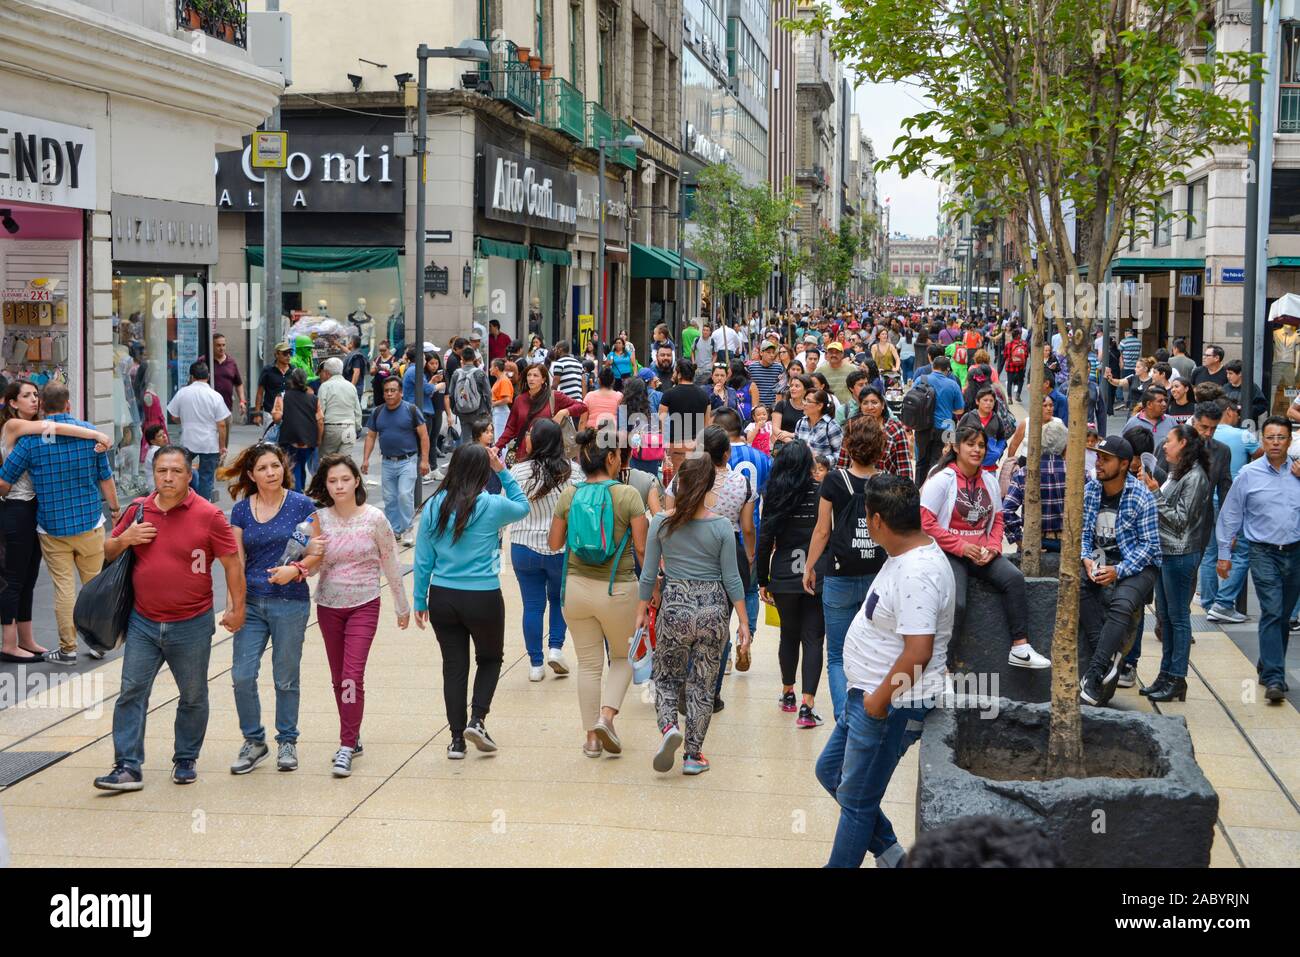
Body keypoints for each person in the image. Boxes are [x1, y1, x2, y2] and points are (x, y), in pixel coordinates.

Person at [815, 473, 955, 869]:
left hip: (890, 704)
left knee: (857, 801)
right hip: (866, 696)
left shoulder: (917, 573)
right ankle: (892, 853)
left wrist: (878, 702)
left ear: (876, 521)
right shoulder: (904, 555)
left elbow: (918, 652)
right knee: (830, 772)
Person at [92, 447, 244, 791]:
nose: (168, 477)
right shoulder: (138, 510)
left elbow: (232, 563)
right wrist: (126, 538)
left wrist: (237, 607)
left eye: (176, 471)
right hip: (143, 620)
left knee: (192, 694)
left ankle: (186, 757)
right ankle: (128, 765)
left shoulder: (209, 515)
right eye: (162, 471)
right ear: (154, 474)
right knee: (131, 691)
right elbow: (107, 549)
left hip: (191, 623)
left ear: (189, 475)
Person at [413, 444, 529, 758]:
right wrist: (502, 470)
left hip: (443, 597)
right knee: (490, 659)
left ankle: (456, 741)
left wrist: (419, 599)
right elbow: (522, 506)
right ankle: (477, 719)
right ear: (482, 471)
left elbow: (423, 558)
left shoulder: (435, 504)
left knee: (454, 668)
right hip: (483, 596)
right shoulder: (491, 505)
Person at [638, 455, 748, 775]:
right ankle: (693, 755)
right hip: (713, 609)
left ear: (680, 484)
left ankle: (670, 726)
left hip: (676, 606)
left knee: (667, 677)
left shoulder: (662, 522)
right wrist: (742, 621)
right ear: (709, 486)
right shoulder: (722, 527)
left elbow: (648, 576)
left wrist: (641, 612)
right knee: (702, 684)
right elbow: (732, 578)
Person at [304, 454, 410, 777]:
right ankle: (354, 731)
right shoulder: (317, 519)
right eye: (332, 481)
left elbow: (390, 561)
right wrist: (306, 557)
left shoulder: (375, 519)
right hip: (328, 606)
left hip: (364, 604)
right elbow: (308, 564)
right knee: (339, 678)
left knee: (352, 676)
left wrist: (401, 604)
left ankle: (346, 745)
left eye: (345, 480)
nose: (339, 486)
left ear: (357, 481)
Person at [0, 383, 120, 666]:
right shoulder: (89, 437)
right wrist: (115, 510)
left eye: (35, 396)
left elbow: (5, 478)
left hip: (52, 526)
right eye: (26, 395)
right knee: (94, 585)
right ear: (68, 405)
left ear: (43, 407)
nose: (32, 400)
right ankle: (100, 644)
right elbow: (105, 477)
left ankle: (67, 649)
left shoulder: (31, 440)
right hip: (89, 521)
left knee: (63, 589)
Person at [547, 428, 647, 756]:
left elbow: (554, 543)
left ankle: (591, 738)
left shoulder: (570, 494)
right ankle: (607, 716)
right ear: (611, 457)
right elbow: (643, 551)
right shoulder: (628, 495)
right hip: (617, 588)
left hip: (575, 590)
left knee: (589, 664)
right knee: (623, 657)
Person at [219, 443, 318, 774]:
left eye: (275, 466)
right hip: (253, 604)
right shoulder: (242, 511)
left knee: (285, 677)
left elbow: (317, 553)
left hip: (290, 602)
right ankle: (254, 740)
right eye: (263, 468)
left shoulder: (302, 505)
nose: (271, 473)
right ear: (251, 475)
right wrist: (234, 605)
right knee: (242, 675)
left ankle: (287, 740)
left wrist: (297, 570)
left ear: (283, 468)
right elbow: (235, 561)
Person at [921, 425, 1050, 669]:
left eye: (981, 445)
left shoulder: (989, 480)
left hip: (982, 552)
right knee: (955, 603)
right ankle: (942, 669)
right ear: (957, 448)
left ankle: (1020, 647)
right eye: (970, 444)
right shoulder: (941, 480)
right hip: (948, 554)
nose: (977, 450)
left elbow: (998, 519)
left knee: (1014, 579)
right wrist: (960, 546)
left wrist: (993, 547)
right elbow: (925, 523)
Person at [665, 425, 757, 710]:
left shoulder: (684, 478)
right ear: (727, 453)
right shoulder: (741, 483)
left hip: (688, 551)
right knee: (720, 627)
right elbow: (747, 527)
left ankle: (683, 687)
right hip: (728, 552)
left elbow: (667, 512)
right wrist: (750, 556)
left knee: (686, 620)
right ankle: (711, 693)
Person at [802, 420, 888, 721]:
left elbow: (822, 531)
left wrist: (810, 566)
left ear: (847, 446)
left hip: (839, 575)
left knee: (837, 654)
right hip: (878, 578)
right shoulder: (886, 483)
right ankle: (872, 713)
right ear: (880, 448)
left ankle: (844, 718)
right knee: (875, 651)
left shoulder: (834, 481)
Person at [1214, 417, 1300, 703]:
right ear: (1262, 441)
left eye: (1281, 438)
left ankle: (1267, 664)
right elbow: (1230, 516)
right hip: (1262, 551)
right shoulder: (1249, 474)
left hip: (1295, 551)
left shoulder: (1298, 472)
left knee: (1283, 616)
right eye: (1271, 437)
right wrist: (1224, 555)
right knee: (1273, 611)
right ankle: (1275, 676)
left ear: (1290, 441)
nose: (1276, 443)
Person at [1077, 436, 1162, 706]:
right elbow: (1082, 534)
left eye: (1105, 459)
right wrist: (1086, 559)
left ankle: (1094, 672)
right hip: (1100, 560)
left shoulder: (1140, 495)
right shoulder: (1091, 490)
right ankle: (1109, 656)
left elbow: (1150, 546)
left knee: (1121, 605)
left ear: (1124, 464)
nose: (1098, 463)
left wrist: (1118, 570)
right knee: (1077, 588)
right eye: (1097, 457)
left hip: (1137, 565)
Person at [1138, 424, 1213, 703]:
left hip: (1180, 554)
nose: (1165, 445)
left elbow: (1181, 520)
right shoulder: (1177, 472)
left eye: (1169, 441)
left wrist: (1155, 493)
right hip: (1165, 552)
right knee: (1165, 617)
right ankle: (1165, 674)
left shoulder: (1195, 477)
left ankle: (1177, 677)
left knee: (1178, 618)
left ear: (1183, 444)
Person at [756, 439, 826, 726]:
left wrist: (762, 579)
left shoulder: (774, 495)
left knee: (789, 634)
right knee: (813, 639)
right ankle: (808, 707)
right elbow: (826, 534)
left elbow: (764, 540)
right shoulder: (822, 493)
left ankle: (788, 693)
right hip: (816, 574)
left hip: (783, 574)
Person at [508, 420, 578, 683]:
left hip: (523, 546)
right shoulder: (574, 472)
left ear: (535, 441)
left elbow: (509, 505)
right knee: (559, 600)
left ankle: (535, 664)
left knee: (532, 606)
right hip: (560, 547)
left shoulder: (517, 471)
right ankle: (556, 648)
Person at [361, 377, 430, 545]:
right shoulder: (377, 412)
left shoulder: (411, 410)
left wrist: (425, 461)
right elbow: (370, 436)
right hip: (387, 462)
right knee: (390, 497)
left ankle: (407, 529)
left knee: (404, 495)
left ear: (401, 392)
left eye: (393, 390)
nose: (389, 394)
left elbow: (424, 436)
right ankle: (394, 529)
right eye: (386, 391)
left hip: (408, 460)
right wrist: (365, 459)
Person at [496, 362, 587, 461]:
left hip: (548, 453)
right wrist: (498, 446)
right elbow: (511, 428)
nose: (531, 378)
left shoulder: (554, 396)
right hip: (524, 453)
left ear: (543, 379)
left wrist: (563, 412)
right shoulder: (519, 400)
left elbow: (582, 406)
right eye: (529, 375)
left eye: (535, 375)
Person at [1003, 418, 1069, 553]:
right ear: (1065, 446)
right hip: (1068, 543)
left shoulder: (1023, 474)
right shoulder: (1077, 475)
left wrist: (1020, 540)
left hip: (1033, 541)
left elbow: (1006, 512)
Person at [167, 361, 230, 502]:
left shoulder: (182, 393)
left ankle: (184, 500)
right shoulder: (215, 396)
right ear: (208, 376)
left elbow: (174, 416)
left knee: (183, 472)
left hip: (188, 439)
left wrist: (185, 421)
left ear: (191, 376)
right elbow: (221, 424)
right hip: (209, 442)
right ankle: (203, 505)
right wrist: (222, 446)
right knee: (206, 477)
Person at [912, 356, 965, 485]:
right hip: (946, 428)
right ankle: (933, 490)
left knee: (921, 461)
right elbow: (960, 410)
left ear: (932, 366)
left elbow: (913, 403)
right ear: (947, 369)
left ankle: (918, 490)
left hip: (922, 427)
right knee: (939, 462)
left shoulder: (921, 379)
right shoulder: (952, 384)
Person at [658, 360, 710, 480]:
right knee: (694, 486)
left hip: (676, 447)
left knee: (675, 486)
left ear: (679, 373)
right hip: (697, 448)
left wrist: (663, 448)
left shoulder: (668, 394)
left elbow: (661, 423)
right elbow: (707, 426)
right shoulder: (704, 396)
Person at [271, 368, 320, 491]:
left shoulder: (282, 396)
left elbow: (277, 417)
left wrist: (276, 413)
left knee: (293, 467)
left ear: (291, 381)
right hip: (308, 440)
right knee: (300, 465)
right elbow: (320, 421)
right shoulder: (314, 398)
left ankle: (297, 494)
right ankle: (300, 490)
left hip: (289, 438)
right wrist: (318, 440)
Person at [316, 356, 364, 458]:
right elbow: (358, 411)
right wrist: (357, 428)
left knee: (327, 462)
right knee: (344, 463)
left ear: (327, 372)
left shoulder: (325, 386)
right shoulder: (351, 386)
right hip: (349, 427)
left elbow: (321, 411)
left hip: (331, 428)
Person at [447, 346, 493, 449]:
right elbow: (488, 393)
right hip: (480, 411)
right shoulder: (480, 373)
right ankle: (480, 461)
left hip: (463, 412)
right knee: (481, 439)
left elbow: (451, 394)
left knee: (466, 440)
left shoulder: (456, 374)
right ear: (474, 358)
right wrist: (489, 409)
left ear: (462, 358)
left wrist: (455, 409)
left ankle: (468, 462)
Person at [958, 386, 1012, 472]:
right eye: (985, 400)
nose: (988, 403)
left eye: (991, 401)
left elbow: (1002, 438)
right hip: (969, 466)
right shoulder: (968, 417)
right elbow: (957, 435)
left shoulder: (997, 419)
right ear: (977, 401)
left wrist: (998, 451)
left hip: (989, 468)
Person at [795, 389, 843, 462]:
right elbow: (796, 446)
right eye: (804, 400)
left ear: (820, 406)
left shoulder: (831, 426)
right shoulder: (801, 423)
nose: (804, 403)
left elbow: (840, 454)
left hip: (823, 471)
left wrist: (821, 460)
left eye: (808, 401)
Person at [254, 342, 293, 428]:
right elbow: (260, 392)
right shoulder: (267, 370)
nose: (288, 356)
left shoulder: (294, 370)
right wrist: (257, 414)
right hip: (270, 412)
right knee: (269, 440)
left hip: (289, 412)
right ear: (277, 354)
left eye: (290, 353)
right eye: (285, 353)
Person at [210, 334, 246, 419]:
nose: (222, 348)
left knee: (225, 432)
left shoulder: (231, 362)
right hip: (208, 408)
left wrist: (242, 401)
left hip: (226, 408)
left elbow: (238, 384)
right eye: (218, 345)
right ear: (212, 346)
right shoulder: (204, 361)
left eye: (223, 345)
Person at [746, 341, 783, 409]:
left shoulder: (779, 368)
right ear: (761, 353)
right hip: (757, 408)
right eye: (768, 352)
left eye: (773, 352)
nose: (772, 355)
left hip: (773, 407)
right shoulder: (752, 367)